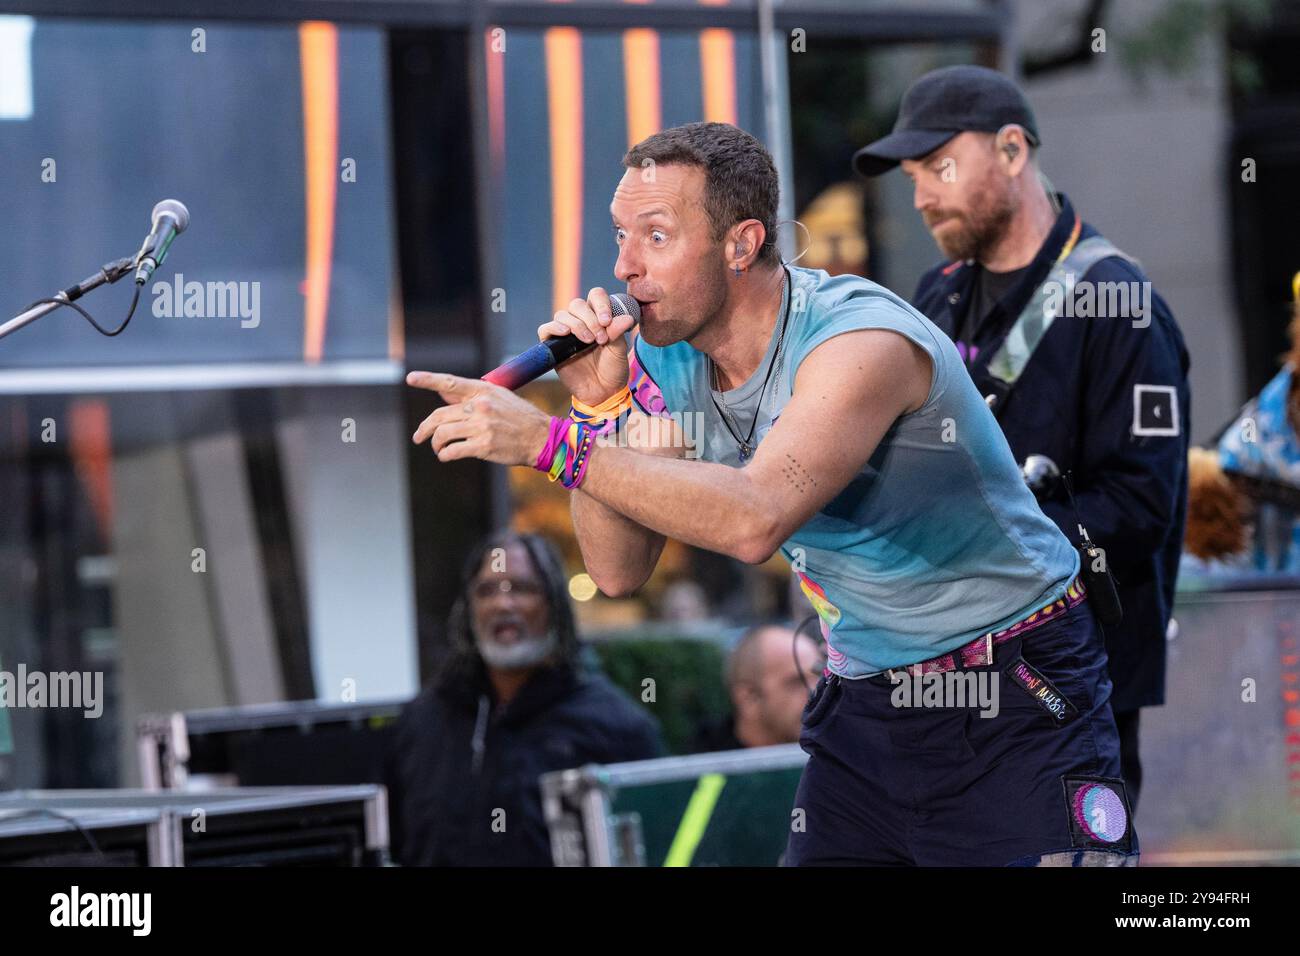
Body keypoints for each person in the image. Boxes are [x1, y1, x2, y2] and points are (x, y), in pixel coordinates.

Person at [407, 121, 1137, 866]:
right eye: (620, 234)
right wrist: (597, 411)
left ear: (741, 243)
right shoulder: (667, 360)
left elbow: (754, 519)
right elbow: (620, 569)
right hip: (866, 696)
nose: (624, 266)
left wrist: (545, 442)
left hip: (1011, 684)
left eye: (654, 236)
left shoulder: (860, 343)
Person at [853, 65, 1191, 814]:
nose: (920, 196)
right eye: (912, 175)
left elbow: (1138, 509)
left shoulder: (1123, 307)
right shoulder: (934, 295)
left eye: (939, 167)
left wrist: (974, 543)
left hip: (1070, 685)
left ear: (1011, 151)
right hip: (939, 676)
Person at [385, 530, 663, 866]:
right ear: (470, 609)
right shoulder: (422, 723)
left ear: (555, 604)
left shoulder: (616, 727)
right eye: (487, 591)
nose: (503, 604)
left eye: (522, 588)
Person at [692, 621, 823, 752]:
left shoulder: (833, 756)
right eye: (796, 682)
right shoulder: (696, 767)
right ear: (748, 698)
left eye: (820, 678)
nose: (816, 692)